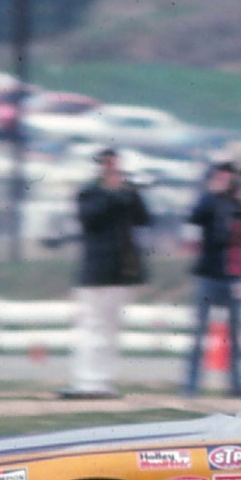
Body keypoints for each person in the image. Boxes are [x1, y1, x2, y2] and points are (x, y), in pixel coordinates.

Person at [59, 147, 152, 400]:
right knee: (92, 327)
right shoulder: (90, 193)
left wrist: (131, 193)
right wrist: (114, 193)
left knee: (111, 329)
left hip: (121, 270)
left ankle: (103, 380)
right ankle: (86, 380)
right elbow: (91, 218)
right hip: (96, 269)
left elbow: (144, 219)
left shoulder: (126, 193)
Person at [184, 160, 241, 397]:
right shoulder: (208, 203)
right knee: (200, 333)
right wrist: (210, 196)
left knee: (236, 335)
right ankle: (191, 384)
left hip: (236, 276)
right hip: (209, 274)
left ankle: (236, 384)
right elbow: (194, 220)